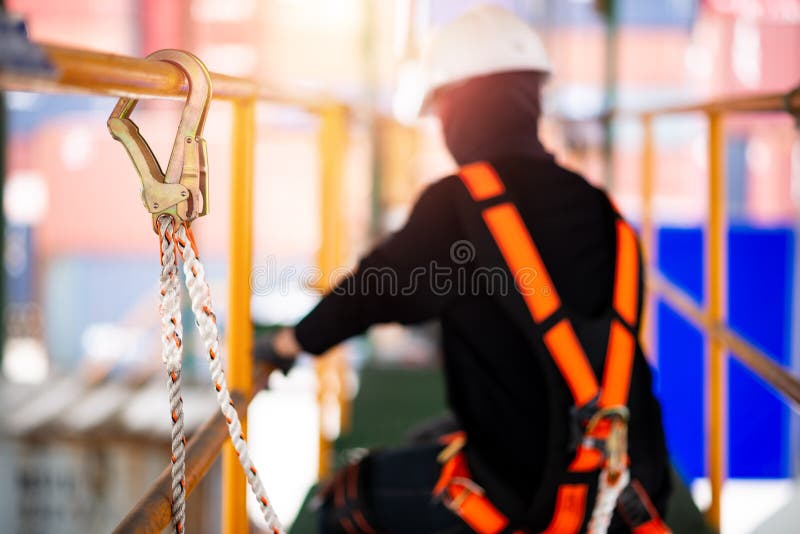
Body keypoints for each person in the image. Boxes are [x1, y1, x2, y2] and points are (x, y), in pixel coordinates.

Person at [256, 5, 672, 533]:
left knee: (344, 502)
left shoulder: (461, 204)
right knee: (435, 437)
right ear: (531, 99)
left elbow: (370, 293)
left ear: (454, 107)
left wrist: (290, 344)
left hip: (535, 494)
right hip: (633, 484)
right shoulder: (599, 206)